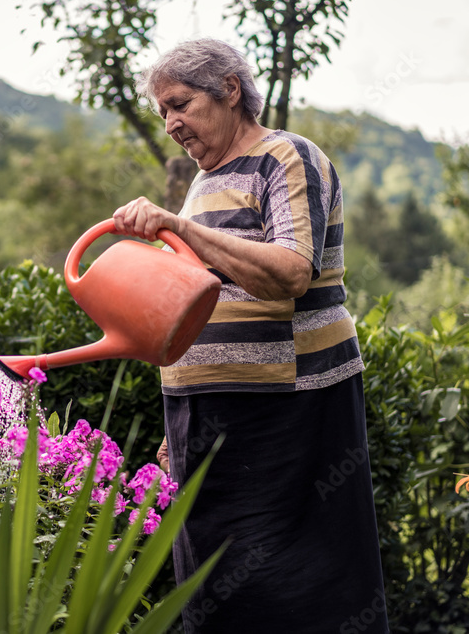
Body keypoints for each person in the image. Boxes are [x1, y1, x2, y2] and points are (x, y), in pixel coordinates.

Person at [112, 39, 388, 634]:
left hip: (287, 408)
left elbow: (290, 272)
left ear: (230, 90)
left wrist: (176, 227)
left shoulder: (286, 157)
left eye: (179, 104)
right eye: (162, 112)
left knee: (291, 587)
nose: (170, 124)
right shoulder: (205, 183)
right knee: (214, 590)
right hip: (208, 417)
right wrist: (174, 431)